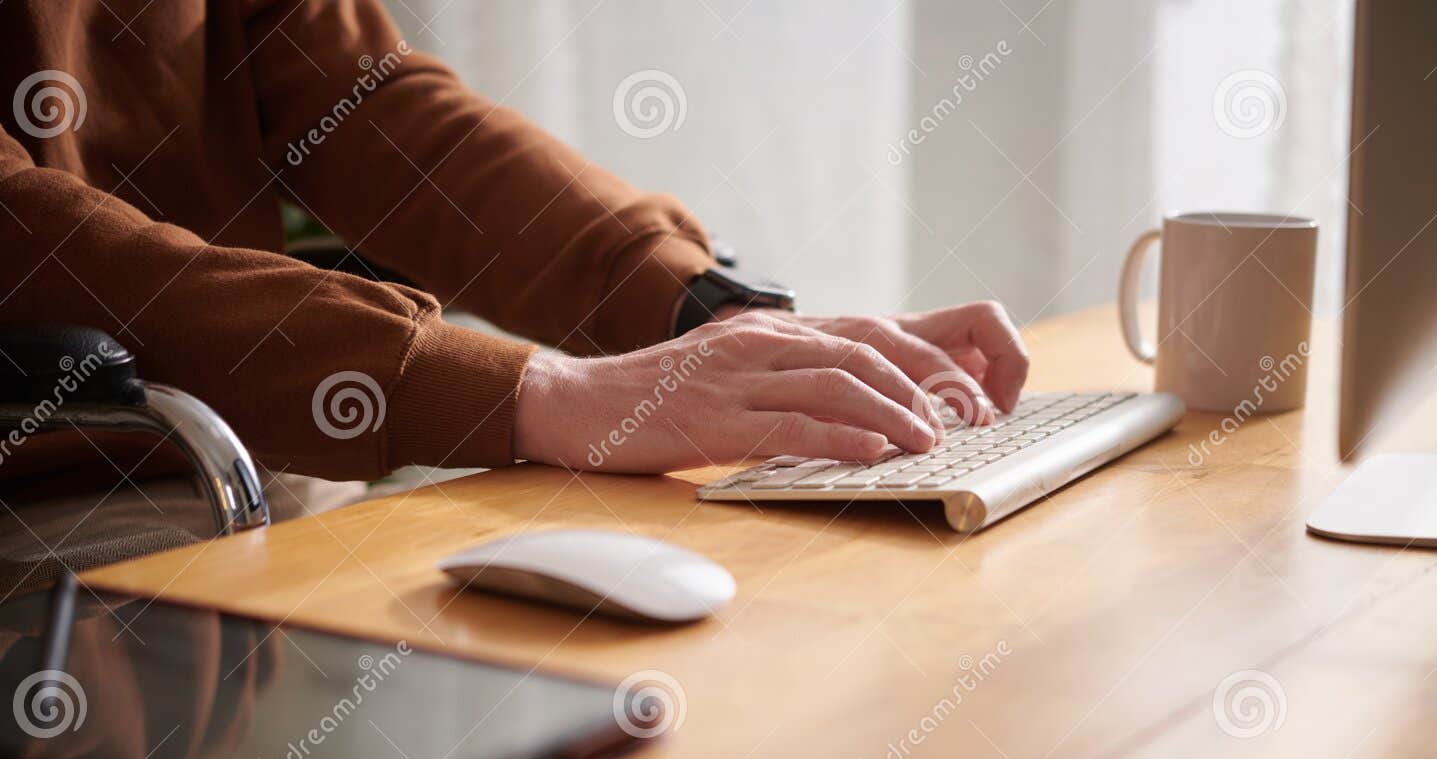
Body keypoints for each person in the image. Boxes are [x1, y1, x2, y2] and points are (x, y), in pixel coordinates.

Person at [0, 1, 1029, 490]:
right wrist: (546, 395)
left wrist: (709, 310)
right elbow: (25, 236)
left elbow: (367, 108)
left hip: (235, 455)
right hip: (60, 498)